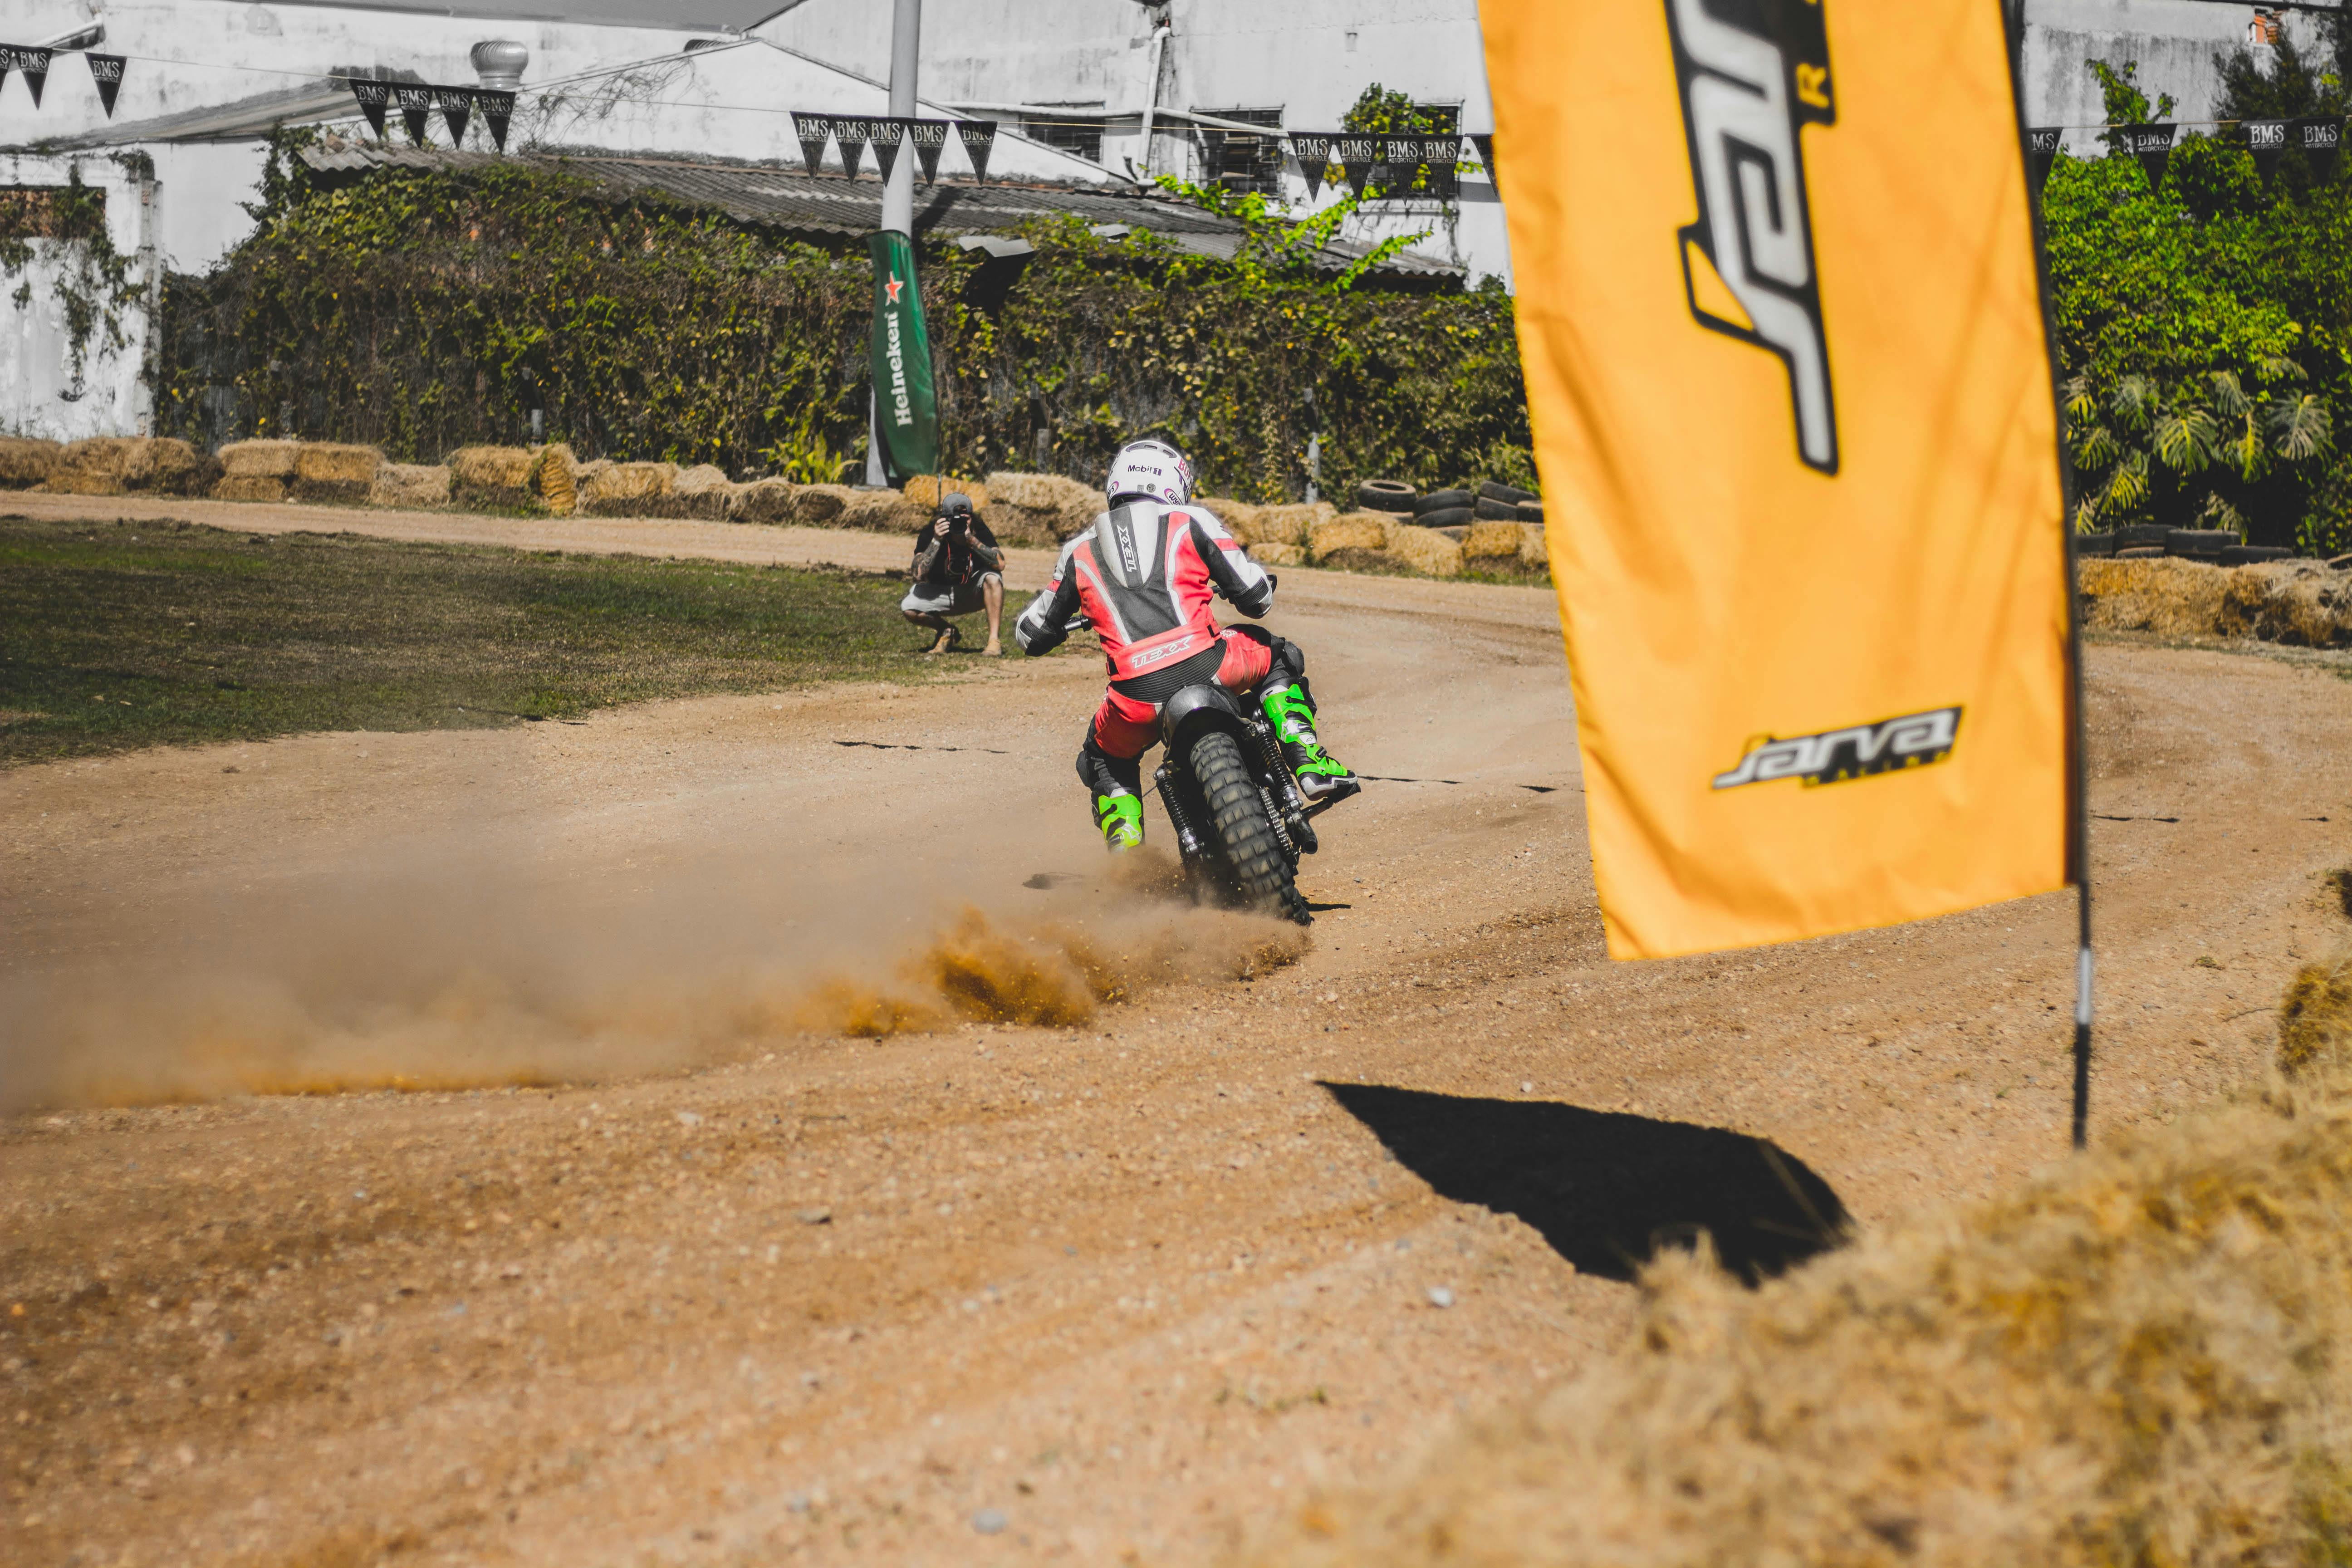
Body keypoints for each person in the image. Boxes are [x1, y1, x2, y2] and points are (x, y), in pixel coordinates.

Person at [1012, 436, 1357, 851]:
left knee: (1103, 754)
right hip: (1212, 667)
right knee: (1277, 654)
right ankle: (1308, 759)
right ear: (1176, 483)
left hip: (1135, 702)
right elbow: (1256, 598)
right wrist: (1249, 586)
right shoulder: (1191, 519)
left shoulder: (1077, 550)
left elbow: (1031, 635)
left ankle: (1125, 840)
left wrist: (1058, 625)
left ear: (1115, 483)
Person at [900, 492, 1004, 656]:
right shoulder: (931, 532)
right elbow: (918, 575)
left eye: (966, 518)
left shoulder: (978, 529)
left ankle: (994, 641)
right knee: (909, 607)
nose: (961, 522)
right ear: (944, 519)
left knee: (993, 578)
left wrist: (972, 540)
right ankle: (947, 631)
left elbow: (1000, 563)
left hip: (971, 593)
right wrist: (936, 540)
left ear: (971, 517)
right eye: (955, 518)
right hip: (940, 593)